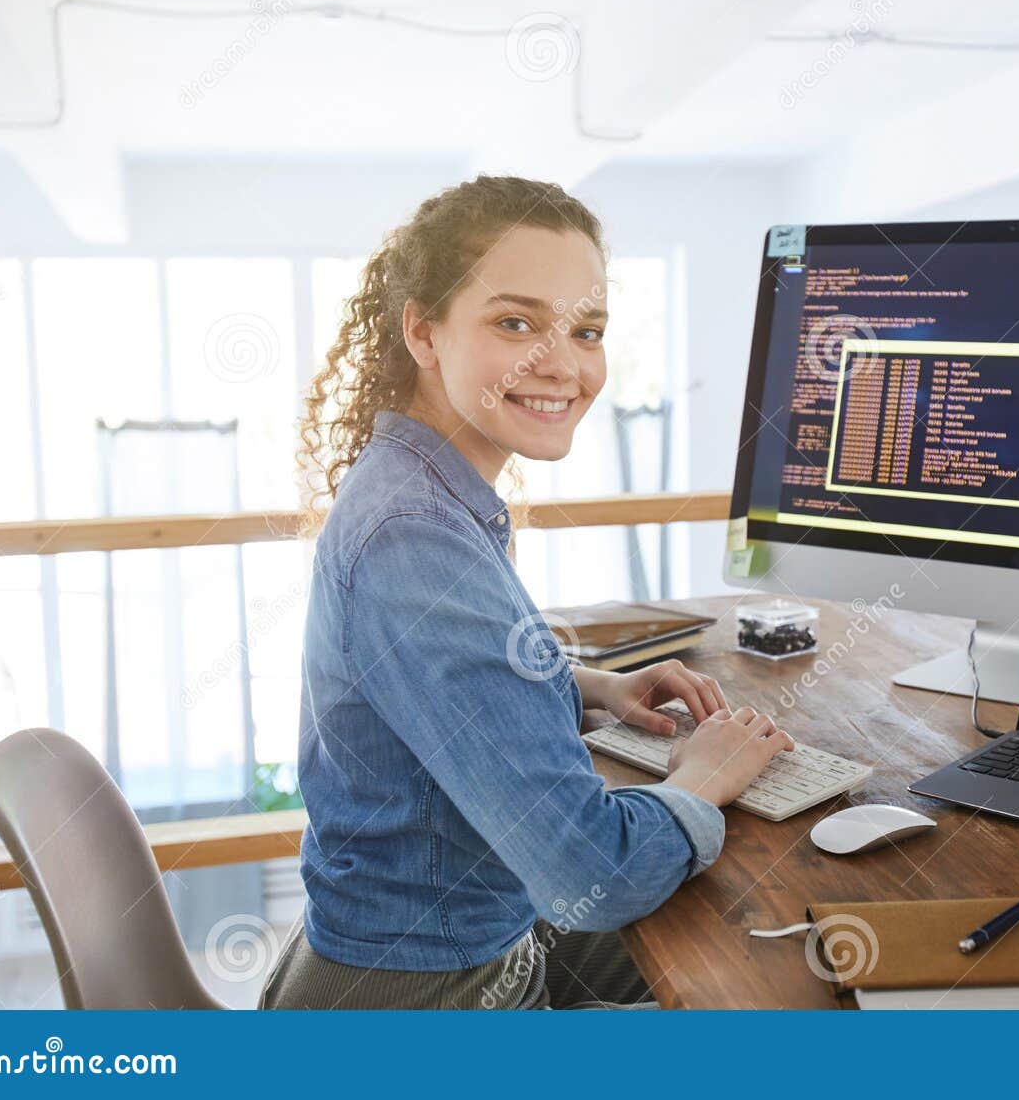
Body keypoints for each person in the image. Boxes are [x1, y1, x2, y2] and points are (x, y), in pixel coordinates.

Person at [260, 175, 792, 1009]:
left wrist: (583, 684)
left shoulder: (422, 490)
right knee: (783, 1007)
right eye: (516, 323)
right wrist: (700, 777)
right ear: (423, 332)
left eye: (587, 329)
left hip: (439, 946)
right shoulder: (415, 537)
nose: (565, 364)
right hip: (429, 996)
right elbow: (597, 872)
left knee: (754, 952)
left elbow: (429, 682)